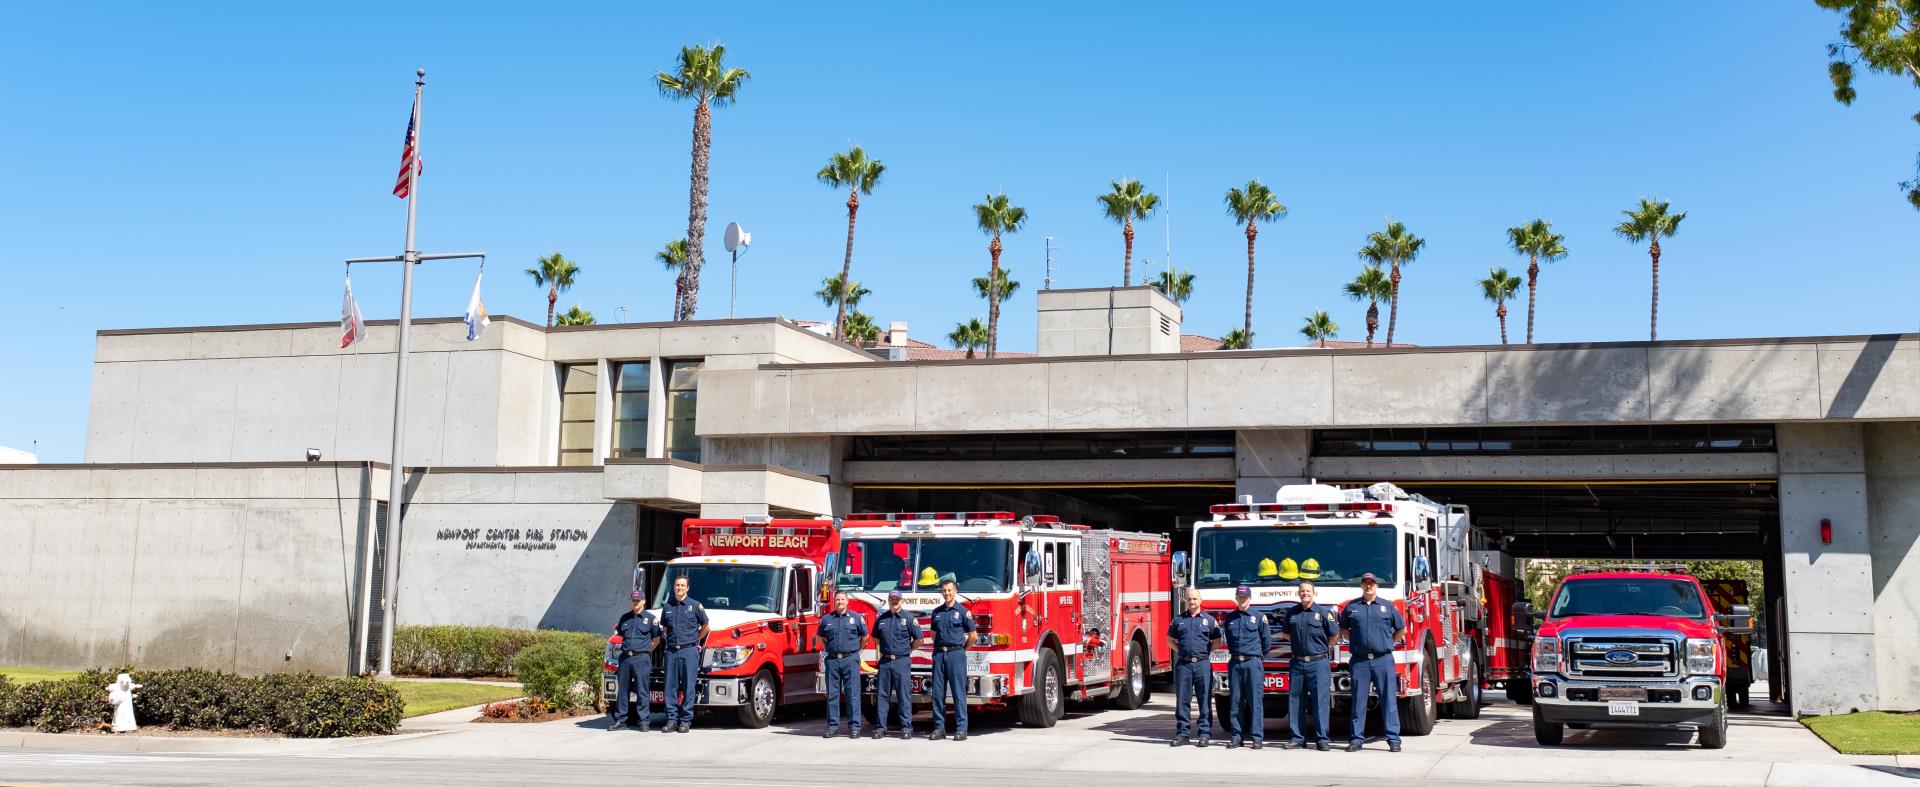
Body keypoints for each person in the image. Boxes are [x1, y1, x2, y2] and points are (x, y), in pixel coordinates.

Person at [1339, 572, 1406, 753]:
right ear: (1361, 586)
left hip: (1383, 660)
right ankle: (1356, 739)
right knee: (1358, 701)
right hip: (1359, 661)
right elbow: (1344, 628)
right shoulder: (1351, 607)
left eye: (1372, 583)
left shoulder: (1388, 606)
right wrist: (1355, 640)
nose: (1369, 586)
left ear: (1377, 586)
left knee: (1388, 700)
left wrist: (1388, 642)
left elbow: (1401, 628)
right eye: (1366, 583)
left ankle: (1393, 739)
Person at [1279, 579, 1338, 751]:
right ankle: (1297, 738)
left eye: (1308, 591)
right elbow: (1286, 633)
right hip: (1297, 662)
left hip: (1318, 663)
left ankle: (1322, 739)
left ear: (1314, 593)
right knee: (1296, 701)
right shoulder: (1292, 613)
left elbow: (1334, 636)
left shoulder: (1324, 613)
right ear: (1298, 593)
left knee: (1320, 701)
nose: (1305, 593)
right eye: (1302, 591)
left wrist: (1319, 647)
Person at [1167, 587, 1221, 747]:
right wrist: (1182, 652)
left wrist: (1204, 653)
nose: (1192, 601)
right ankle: (1183, 734)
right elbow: (1169, 640)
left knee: (1204, 699)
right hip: (1184, 664)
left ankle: (1204, 733)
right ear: (1185, 600)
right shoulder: (1178, 620)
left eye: (1195, 599)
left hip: (1202, 664)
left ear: (1200, 601)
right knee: (1182, 700)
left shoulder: (1209, 621)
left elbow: (1217, 642)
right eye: (1189, 599)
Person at [659, 574, 709, 734]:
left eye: (682, 585)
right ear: (673, 587)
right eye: (676, 585)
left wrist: (695, 640)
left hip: (689, 651)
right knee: (670, 687)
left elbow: (706, 626)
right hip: (672, 651)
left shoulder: (695, 606)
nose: (679, 588)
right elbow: (665, 629)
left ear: (687, 588)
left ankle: (685, 721)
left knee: (688, 687)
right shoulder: (667, 607)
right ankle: (672, 720)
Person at [927, 577, 975, 741]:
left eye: (949, 590)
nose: (947, 593)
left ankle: (961, 729)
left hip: (956, 654)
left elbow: (973, 636)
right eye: (944, 590)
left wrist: (961, 650)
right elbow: (933, 636)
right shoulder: (936, 612)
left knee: (958, 693)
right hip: (940, 654)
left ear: (955, 591)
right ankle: (939, 728)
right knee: (937, 693)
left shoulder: (963, 612)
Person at [1223, 585, 1271, 749]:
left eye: (1245, 597)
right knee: (1235, 700)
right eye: (1239, 597)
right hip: (1235, 662)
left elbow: (1266, 642)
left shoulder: (1258, 617)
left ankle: (1257, 737)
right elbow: (1228, 639)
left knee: (1255, 701)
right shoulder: (1230, 618)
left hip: (1252, 663)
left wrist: (1257, 656)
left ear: (1250, 598)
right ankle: (1237, 736)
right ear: (1236, 598)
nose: (1242, 599)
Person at [816, 589, 868, 738]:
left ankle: (855, 727)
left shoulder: (856, 618)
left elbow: (865, 636)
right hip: (832, 660)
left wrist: (857, 650)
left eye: (843, 600)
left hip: (850, 659)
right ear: (834, 601)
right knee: (832, 694)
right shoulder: (827, 619)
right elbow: (820, 637)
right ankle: (832, 727)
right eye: (837, 600)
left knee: (853, 695)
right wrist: (827, 649)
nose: (840, 602)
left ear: (847, 601)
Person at [609, 589, 662, 731]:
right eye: (633, 600)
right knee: (623, 691)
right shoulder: (624, 618)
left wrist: (646, 651)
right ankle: (621, 720)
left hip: (641, 658)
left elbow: (656, 639)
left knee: (642, 691)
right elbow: (620, 635)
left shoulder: (651, 619)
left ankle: (644, 721)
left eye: (637, 600)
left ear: (644, 601)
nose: (635, 602)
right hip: (625, 658)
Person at [871, 589, 921, 739]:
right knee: (882, 695)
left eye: (897, 599)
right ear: (888, 600)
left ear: (902, 601)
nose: (894, 601)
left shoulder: (909, 617)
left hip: (901, 661)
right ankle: (880, 728)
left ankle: (906, 728)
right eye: (892, 599)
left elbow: (919, 639)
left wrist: (906, 650)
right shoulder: (882, 618)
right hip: (885, 661)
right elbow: (875, 637)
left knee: (903, 695)